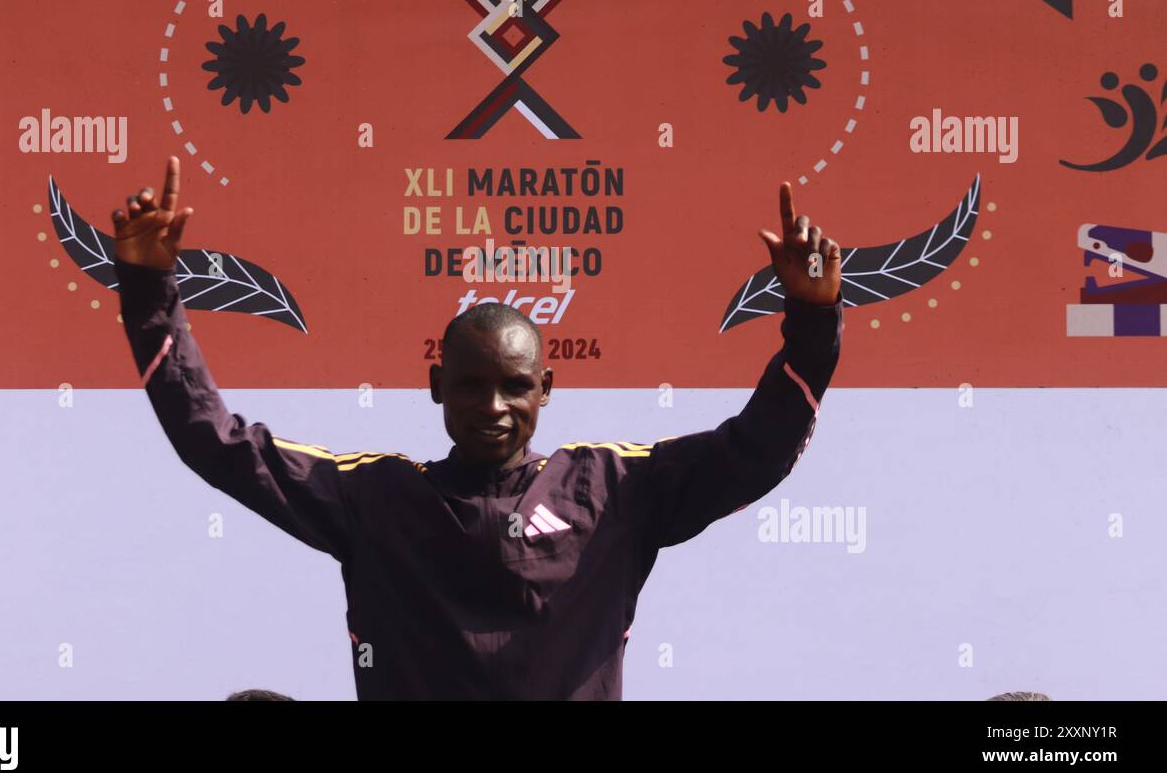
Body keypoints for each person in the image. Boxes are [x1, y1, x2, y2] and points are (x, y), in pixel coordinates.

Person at [111, 156, 843, 700]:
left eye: (515, 386)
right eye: (470, 385)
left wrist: (812, 321)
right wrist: (148, 287)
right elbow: (218, 441)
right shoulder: (377, 498)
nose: (493, 406)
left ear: (546, 390)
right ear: (437, 388)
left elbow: (756, 450)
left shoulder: (618, 490)